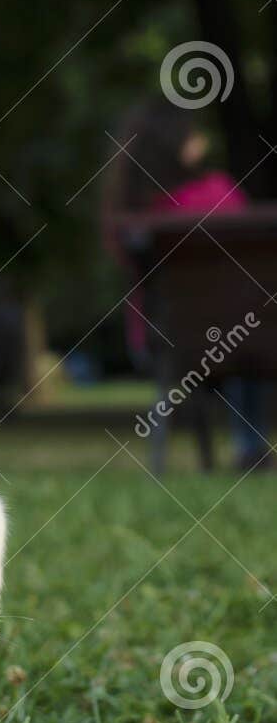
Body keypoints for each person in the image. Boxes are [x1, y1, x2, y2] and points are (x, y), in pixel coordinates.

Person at [104, 98, 271, 471]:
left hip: (165, 341)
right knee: (249, 335)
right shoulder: (218, 193)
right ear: (178, 143)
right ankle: (250, 445)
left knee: (232, 336)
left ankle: (243, 446)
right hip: (247, 337)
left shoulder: (133, 214)